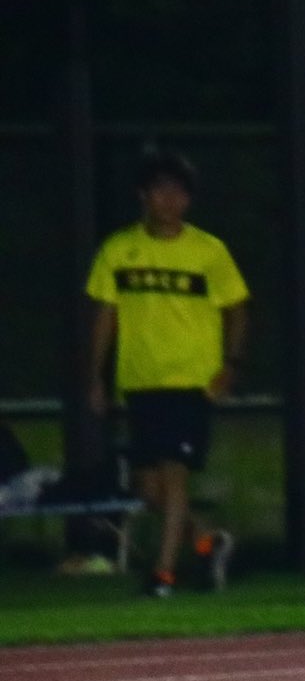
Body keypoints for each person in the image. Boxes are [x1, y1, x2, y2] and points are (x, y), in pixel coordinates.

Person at [85, 149, 250, 597]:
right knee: (148, 488)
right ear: (144, 195)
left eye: (179, 192)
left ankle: (163, 574)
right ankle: (207, 541)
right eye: (161, 191)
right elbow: (105, 315)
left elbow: (238, 309)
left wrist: (230, 366)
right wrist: (95, 376)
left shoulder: (208, 250)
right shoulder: (119, 249)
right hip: (140, 380)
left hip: (190, 379)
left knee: (174, 474)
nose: (170, 200)